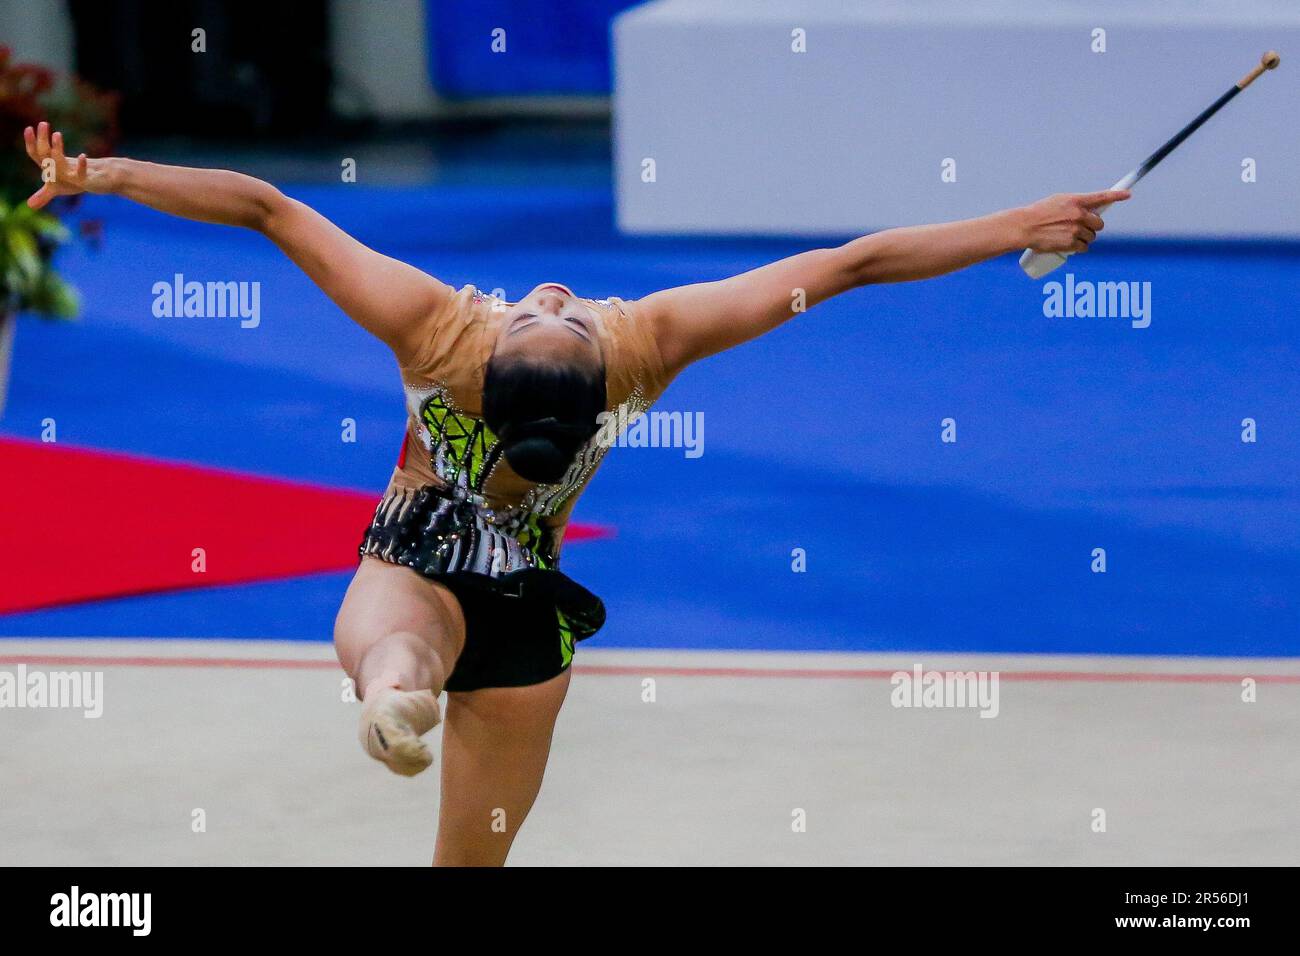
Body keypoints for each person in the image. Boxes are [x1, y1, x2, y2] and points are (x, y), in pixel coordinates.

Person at [22, 120, 1128, 865]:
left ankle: (394, 694)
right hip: (529, 616)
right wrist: (1013, 225)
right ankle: (401, 693)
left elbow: (267, 206)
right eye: (560, 314)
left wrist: (105, 176)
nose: (553, 295)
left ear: (494, 363)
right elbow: (845, 267)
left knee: (396, 636)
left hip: (417, 558)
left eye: (541, 313)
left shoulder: (437, 331)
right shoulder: (645, 344)